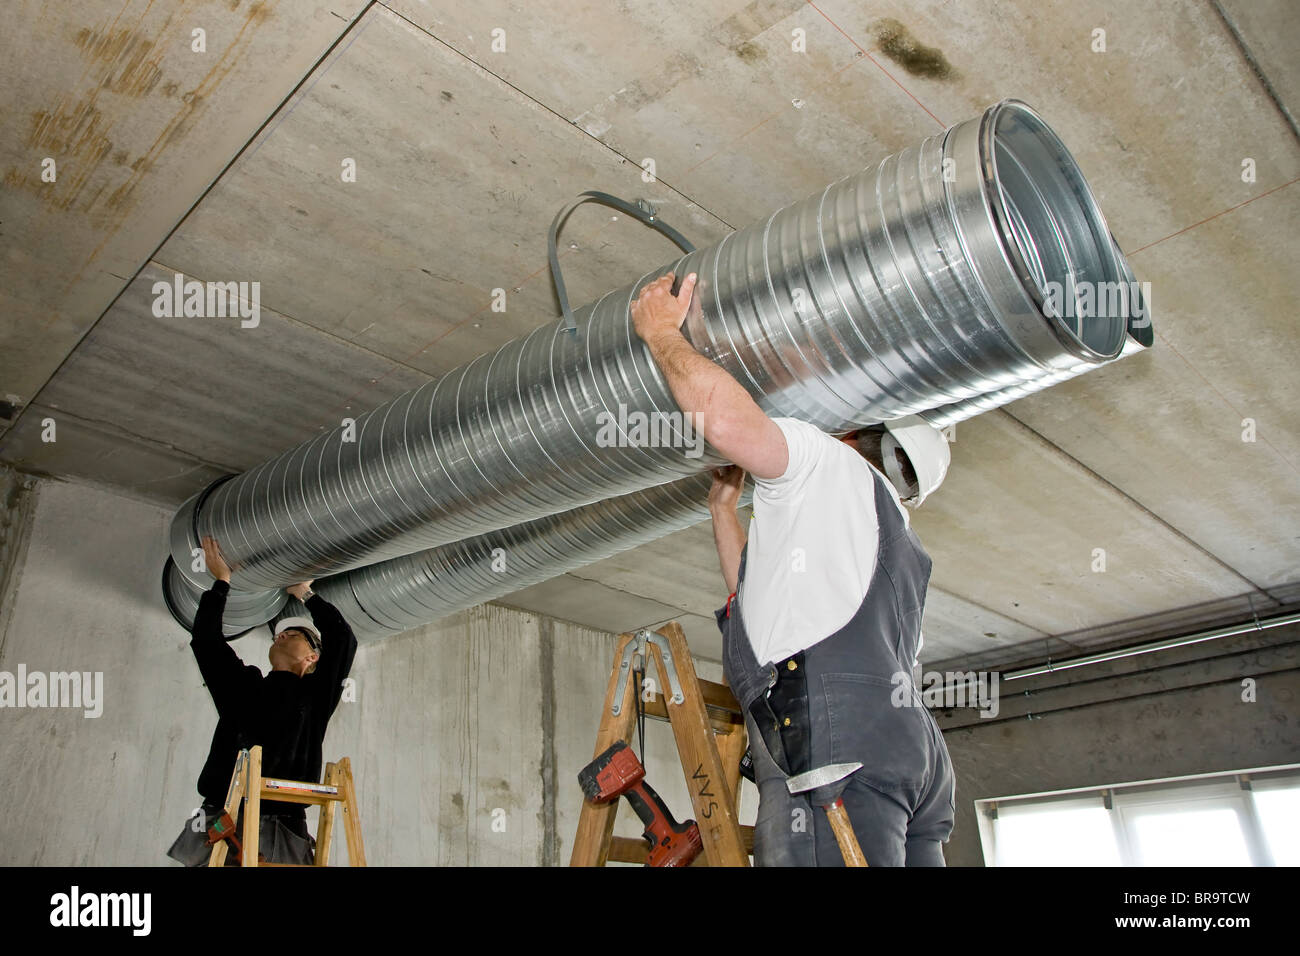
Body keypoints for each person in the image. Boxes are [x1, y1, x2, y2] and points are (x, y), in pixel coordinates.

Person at [631, 272, 955, 866]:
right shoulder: (901, 544)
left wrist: (661, 337)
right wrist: (723, 511)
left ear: (861, 427)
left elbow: (727, 425)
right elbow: (764, 607)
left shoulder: (822, 458)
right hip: (915, 760)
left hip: (836, 756)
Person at [166, 536, 358, 866]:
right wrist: (221, 582)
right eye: (280, 634)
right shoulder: (244, 686)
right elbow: (207, 641)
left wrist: (305, 593)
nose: (282, 635)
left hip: (281, 828)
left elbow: (343, 640)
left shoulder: (315, 696)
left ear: (312, 657)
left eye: (295, 635)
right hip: (222, 819)